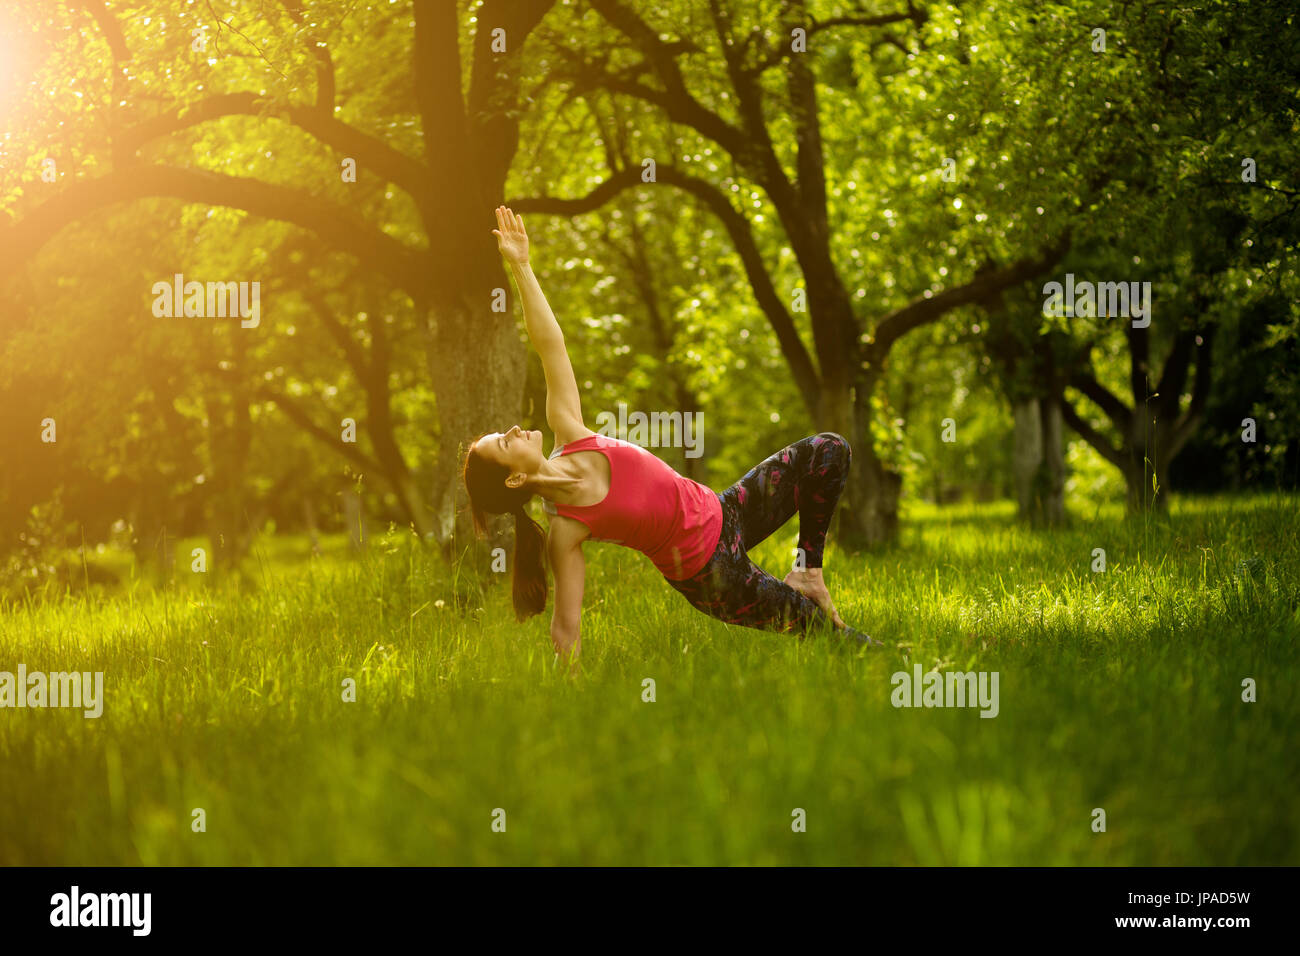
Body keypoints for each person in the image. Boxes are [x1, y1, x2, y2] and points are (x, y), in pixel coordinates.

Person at [462, 206, 880, 661]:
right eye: (505, 442)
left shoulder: (569, 427)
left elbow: (550, 344)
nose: (516, 428)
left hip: (726, 512)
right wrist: (572, 686)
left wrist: (521, 266)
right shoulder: (565, 529)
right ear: (514, 480)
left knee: (829, 450)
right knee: (826, 633)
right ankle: (891, 660)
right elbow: (566, 627)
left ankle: (808, 570)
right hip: (711, 575)